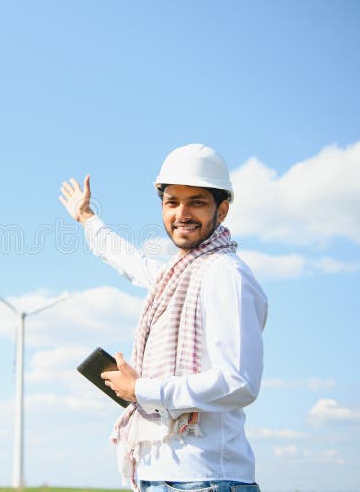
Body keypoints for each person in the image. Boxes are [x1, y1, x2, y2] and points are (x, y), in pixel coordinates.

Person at [59, 144, 268, 492]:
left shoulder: (224, 273)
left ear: (223, 209)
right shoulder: (179, 277)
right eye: (172, 202)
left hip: (204, 479)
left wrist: (140, 389)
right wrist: (88, 219)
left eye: (197, 202)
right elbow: (132, 262)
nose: (182, 213)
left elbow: (239, 381)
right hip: (161, 475)